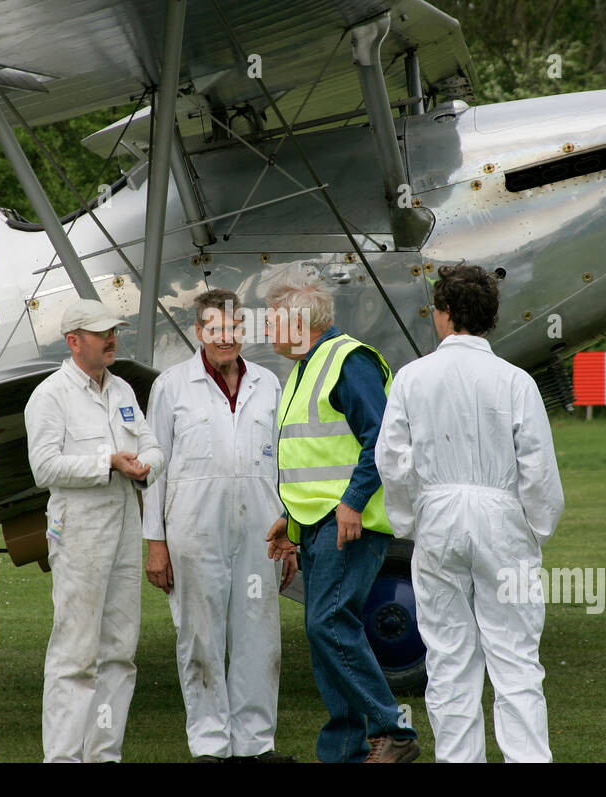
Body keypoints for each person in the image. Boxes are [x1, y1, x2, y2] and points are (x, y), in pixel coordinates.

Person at [376, 264, 564, 763]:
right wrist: (535, 530)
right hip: (501, 517)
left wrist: (411, 521)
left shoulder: (412, 378)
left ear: (442, 314)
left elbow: (391, 459)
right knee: (516, 657)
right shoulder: (515, 380)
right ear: (490, 317)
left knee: (449, 660)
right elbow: (539, 469)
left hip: (437, 515)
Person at [262, 266, 420, 763]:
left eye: (271, 320)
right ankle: (346, 750)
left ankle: (393, 729)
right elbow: (311, 458)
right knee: (327, 630)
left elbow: (382, 439)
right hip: (318, 523)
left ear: (298, 323)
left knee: (327, 623)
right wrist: (290, 521)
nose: (265, 329)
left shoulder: (348, 361)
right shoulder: (307, 366)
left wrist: (352, 502)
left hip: (348, 522)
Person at [143, 290, 294, 763]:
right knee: (200, 637)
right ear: (199, 332)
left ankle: (255, 744)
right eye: (215, 329)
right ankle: (209, 745)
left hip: (262, 532)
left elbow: (286, 466)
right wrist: (155, 543)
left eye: (233, 328)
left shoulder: (269, 384)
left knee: (259, 636)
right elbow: (154, 470)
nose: (225, 338)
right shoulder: (171, 386)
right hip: (193, 529)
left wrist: (290, 533)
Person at [24, 298, 163, 763]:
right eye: (102, 332)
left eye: (114, 331)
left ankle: (104, 754)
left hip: (125, 524)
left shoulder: (121, 389)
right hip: (79, 530)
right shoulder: (50, 395)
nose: (112, 339)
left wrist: (146, 466)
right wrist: (107, 462)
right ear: (73, 341)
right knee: (75, 653)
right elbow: (44, 468)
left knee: (120, 650)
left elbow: (151, 445)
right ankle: (63, 757)